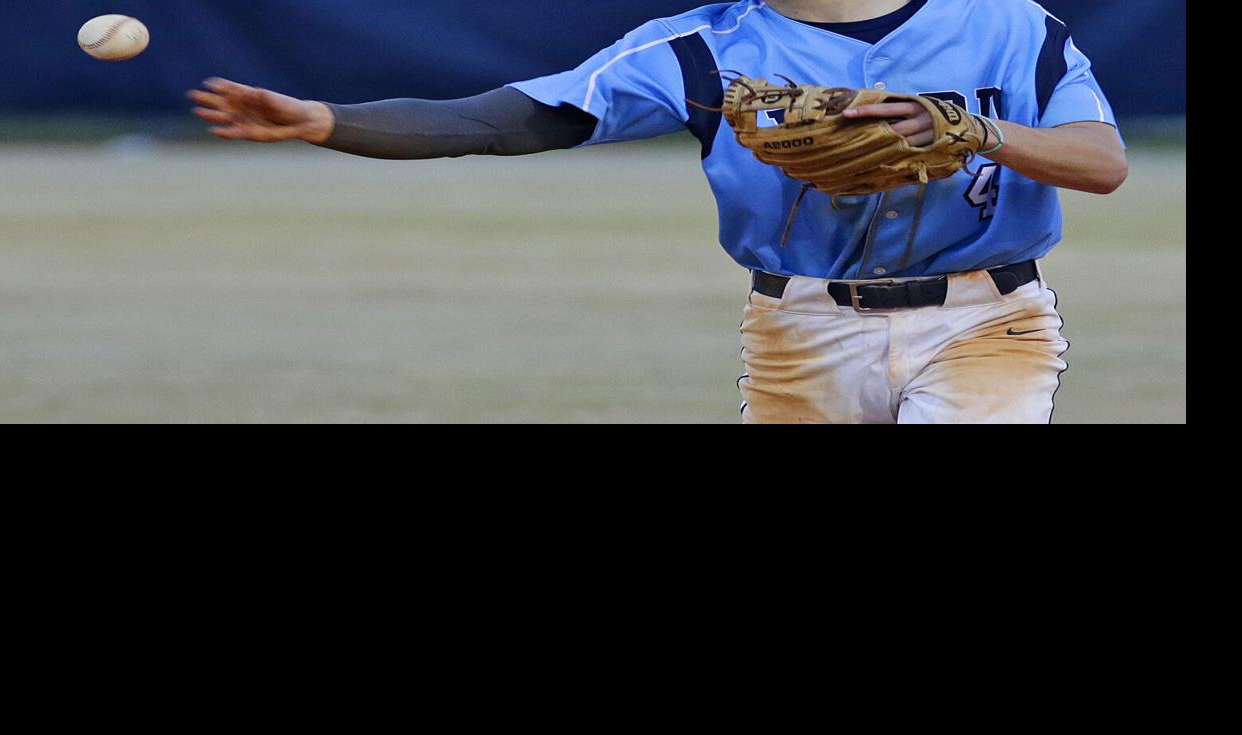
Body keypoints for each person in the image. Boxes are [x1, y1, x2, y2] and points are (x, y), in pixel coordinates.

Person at [188, 0, 1127, 424]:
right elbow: (500, 121)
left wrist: (967, 129)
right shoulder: (699, 50)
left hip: (985, 320)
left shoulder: (1010, 26)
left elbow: (1102, 164)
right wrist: (326, 121)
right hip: (799, 329)